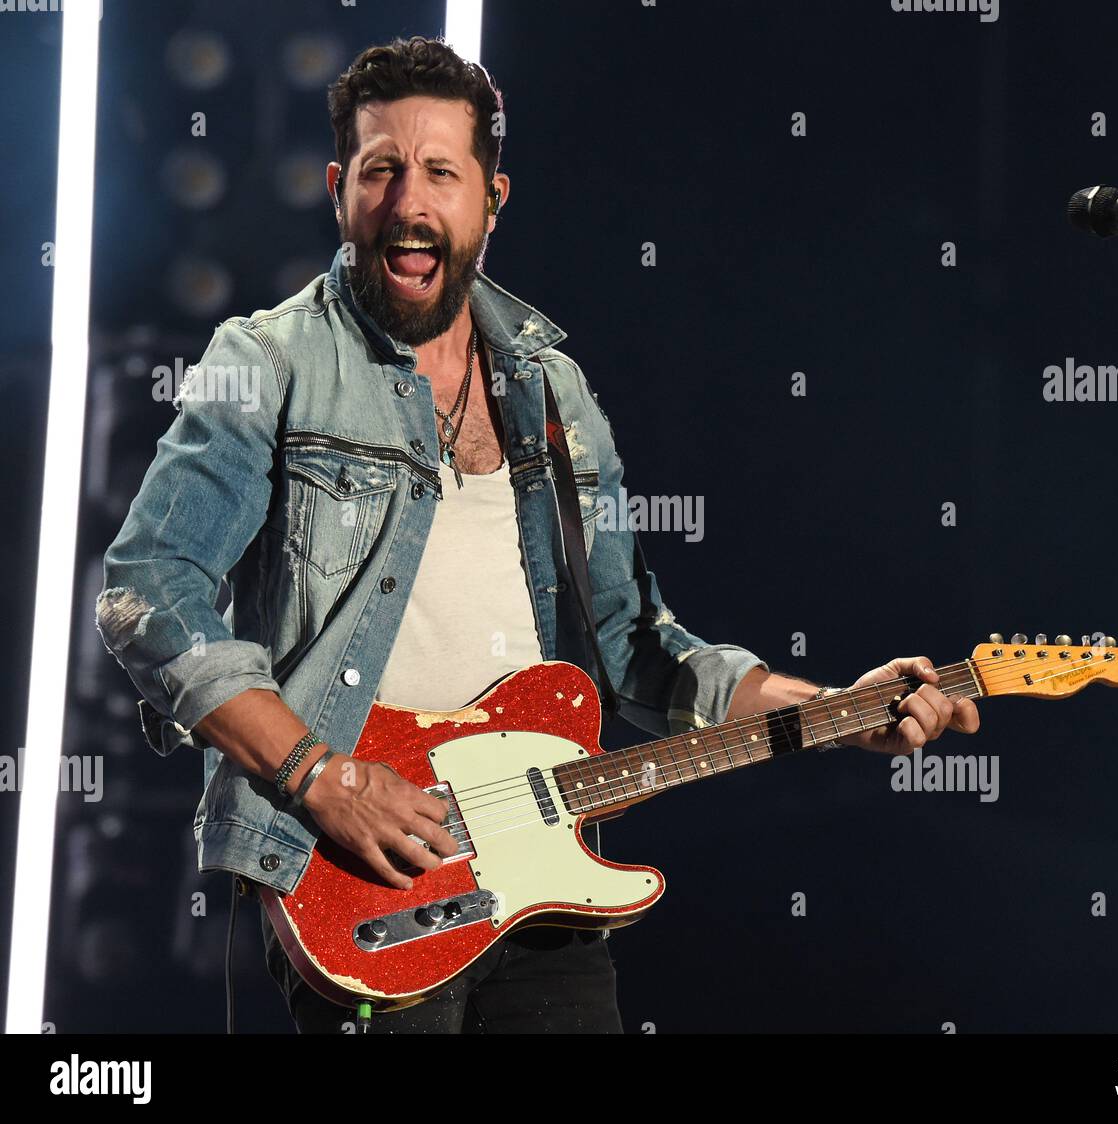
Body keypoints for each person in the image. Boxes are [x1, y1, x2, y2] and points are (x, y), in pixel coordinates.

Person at [95, 35, 979, 1034]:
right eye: (381, 169)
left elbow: (635, 640)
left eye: (440, 171)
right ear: (340, 189)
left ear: (491, 198)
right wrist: (319, 775)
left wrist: (831, 707)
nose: (408, 200)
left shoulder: (550, 386)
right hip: (362, 880)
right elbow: (145, 588)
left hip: (540, 881)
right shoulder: (260, 360)